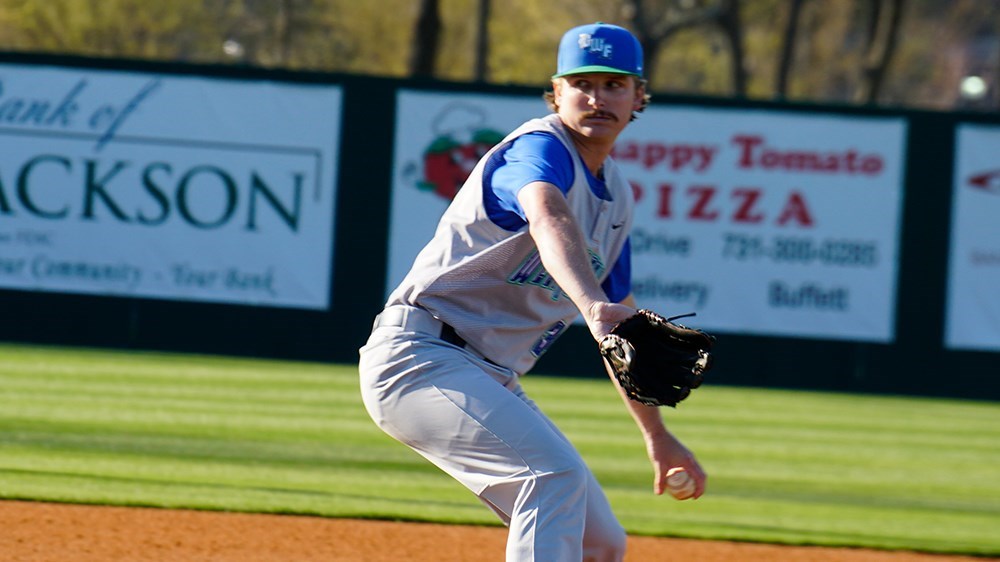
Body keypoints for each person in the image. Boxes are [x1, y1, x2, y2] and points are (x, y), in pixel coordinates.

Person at [359, 22, 706, 562]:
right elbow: (546, 213)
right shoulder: (538, 148)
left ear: (640, 96)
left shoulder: (617, 197)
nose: (597, 97)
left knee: (599, 543)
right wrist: (591, 307)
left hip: (489, 375)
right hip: (420, 356)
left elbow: (624, 327)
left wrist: (657, 437)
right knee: (549, 478)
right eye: (581, 83)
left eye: (615, 84)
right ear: (557, 92)